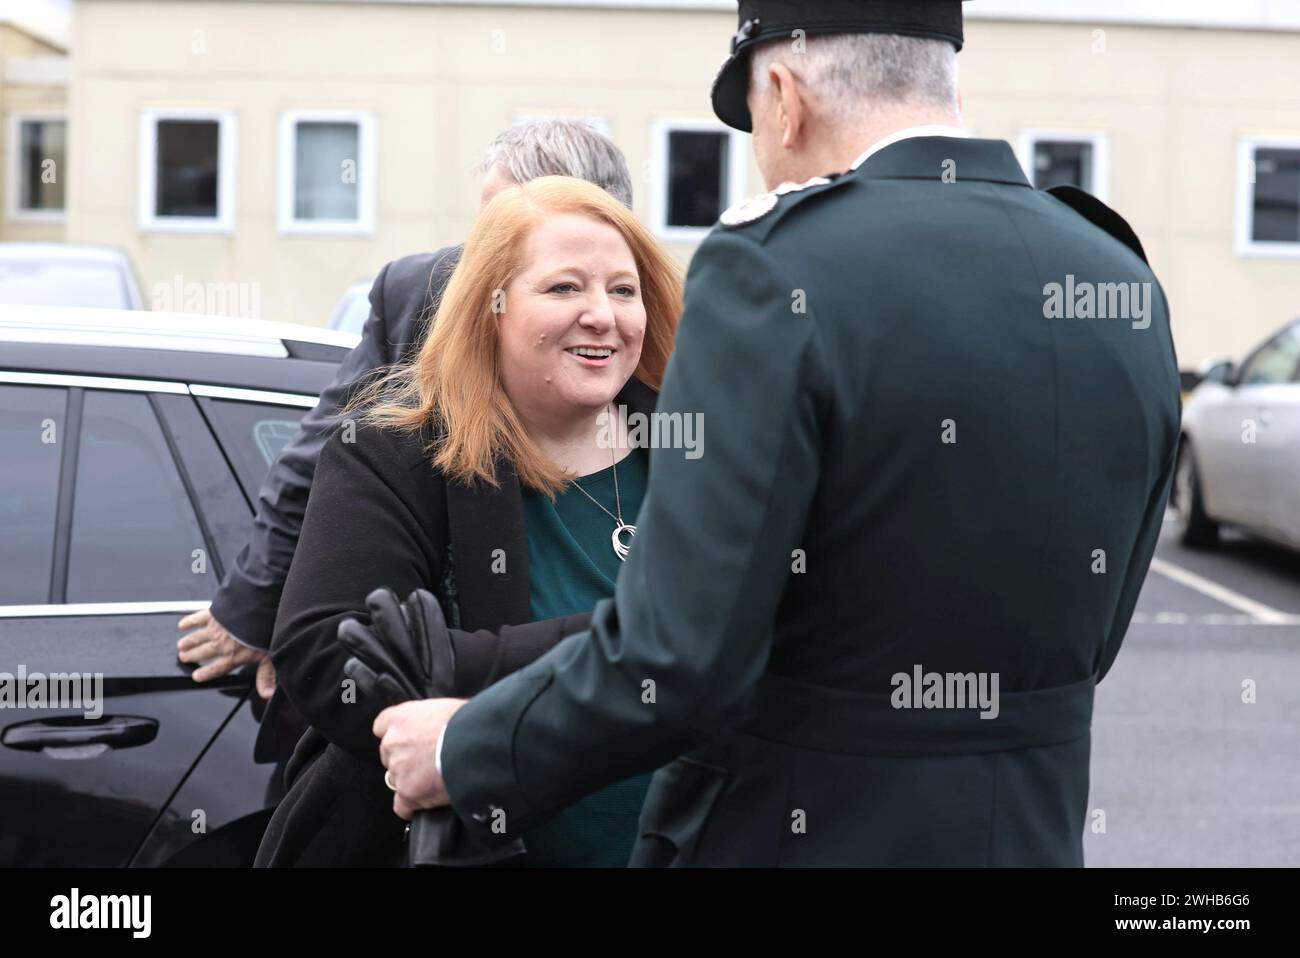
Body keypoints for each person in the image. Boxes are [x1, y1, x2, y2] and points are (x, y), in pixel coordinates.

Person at [372, 0, 1182, 866]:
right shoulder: (1116, 277)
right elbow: (1095, 638)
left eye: (753, 122)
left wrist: (466, 747)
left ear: (786, 96)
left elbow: (677, 658)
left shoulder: (773, 268)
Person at [174, 118, 636, 766]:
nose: (478, 259)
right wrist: (256, 608)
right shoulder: (416, 328)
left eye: (619, 288)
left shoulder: (679, 425)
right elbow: (318, 456)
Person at [255, 176, 683, 866]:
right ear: (492, 306)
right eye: (564, 288)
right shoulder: (397, 453)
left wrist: (452, 661)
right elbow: (333, 658)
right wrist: (635, 640)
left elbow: (780, 638)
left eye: (623, 290)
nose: (603, 315)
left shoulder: (702, 449)